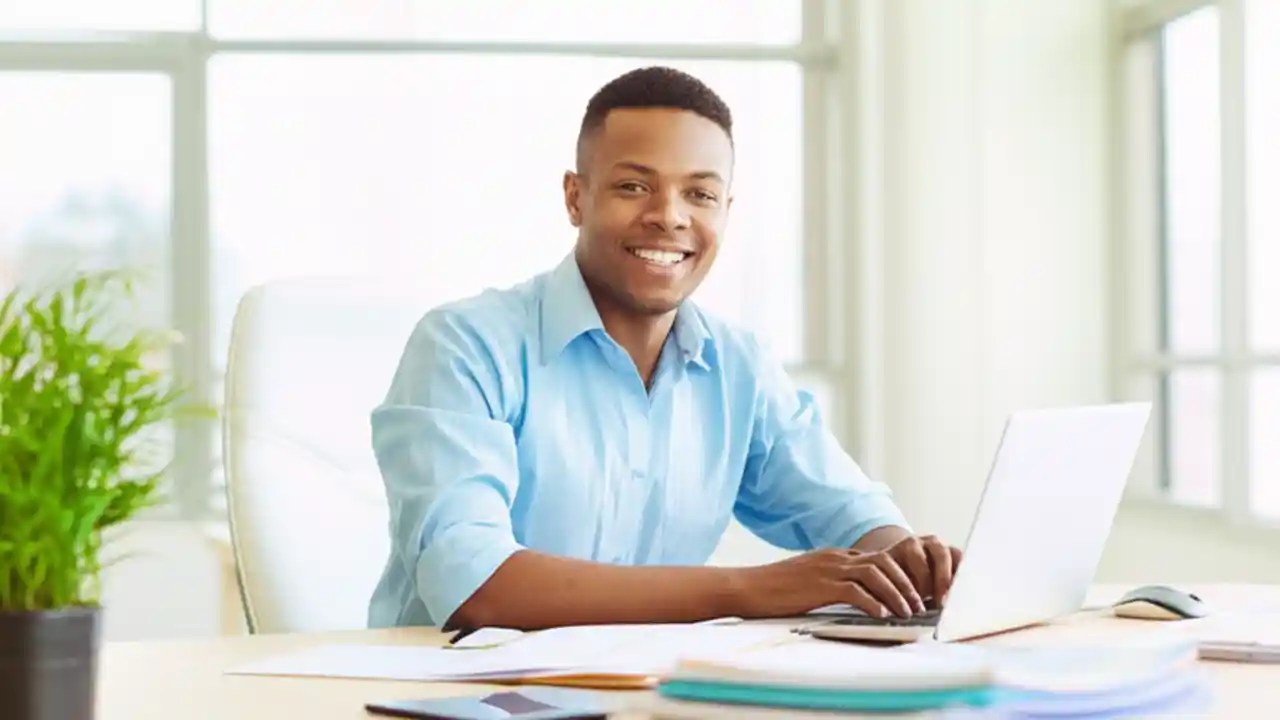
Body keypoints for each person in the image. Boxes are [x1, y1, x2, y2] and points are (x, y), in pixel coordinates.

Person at [368, 66, 961, 632]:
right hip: (458, 696)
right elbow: (476, 584)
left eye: (700, 195)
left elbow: (850, 514)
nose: (668, 217)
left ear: (725, 212)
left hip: (648, 690)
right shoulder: (467, 346)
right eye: (633, 186)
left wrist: (905, 564)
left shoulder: (738, 366)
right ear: (576, 198)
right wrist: (751, 590)